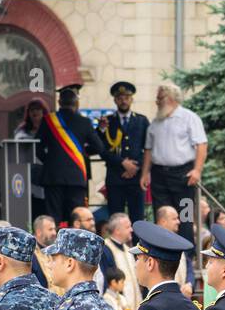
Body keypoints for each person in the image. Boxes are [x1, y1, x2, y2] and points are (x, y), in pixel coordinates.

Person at [141, 82, 207, 265]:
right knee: (161, 215)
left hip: (183, 175)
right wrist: (145, 173)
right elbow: (148, 150)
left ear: (170, 98)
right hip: (159, 175)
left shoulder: (189, 118)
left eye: (159, 98)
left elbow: (201, 144)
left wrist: (197, 170)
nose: (156, 102)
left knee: (185, 217)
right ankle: (162, 253)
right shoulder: (155, 123)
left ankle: (186, 256)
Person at [39, 85, 120, 224]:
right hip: (76, 176)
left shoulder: (48, 120)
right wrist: (80, 154)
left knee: (54, 216)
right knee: (76, 216)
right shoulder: (84, 122)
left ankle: (53, 244)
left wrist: (50, 161)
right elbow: (99, 147)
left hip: (53, 176)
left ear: (59, 102)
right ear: (76, 103)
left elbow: (37, 148)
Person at [98, 81, 149, 222]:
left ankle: (138, 244)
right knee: (115, 218)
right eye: (120, 98)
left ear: (132, 99)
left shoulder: (142, 121)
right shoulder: (107, 122)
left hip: (136, 178)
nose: (123, 101)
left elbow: (149, 148)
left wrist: (136, 166)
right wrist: (122, 163)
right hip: (115, 176)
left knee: (138, 219)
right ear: (115, 100)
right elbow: (101, 148)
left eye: (126, 98)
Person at [14, 98, 50, 220]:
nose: (35, 113)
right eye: (32, 110)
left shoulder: (51, 129)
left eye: (38, 110)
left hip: (47, 175)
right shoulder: (22, 131)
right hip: (28, 177)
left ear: (43, 112)